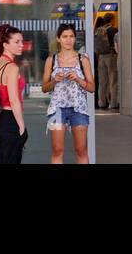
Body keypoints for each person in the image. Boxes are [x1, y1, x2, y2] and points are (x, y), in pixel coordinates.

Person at [42, 23, 94, 164]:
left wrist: (78, 79)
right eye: (64, 36)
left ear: (75, 38)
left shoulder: (83, 59)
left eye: (71, 36)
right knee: (57, 150)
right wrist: (54, 81)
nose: (68, 40)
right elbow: (44, 88)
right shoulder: (51, 60)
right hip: (57, 109)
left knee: (81, 150)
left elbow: (92, 87)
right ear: (58, 39)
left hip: (79, 109)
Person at [0, 23, 27, 164]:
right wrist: (22, 127)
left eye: (22, 41)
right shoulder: (12, 68)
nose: (21, 45)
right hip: (10, 120)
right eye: (16, 42)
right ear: (5, 45)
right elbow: (13, 100)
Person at [95, 16, 118, 111]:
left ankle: (101, 102)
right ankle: (113, 102)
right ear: (111, 20)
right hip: (110, 56)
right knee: (113, 80)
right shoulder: (113, 30)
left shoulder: (98, 31)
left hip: (101, 57)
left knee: (102, 81)